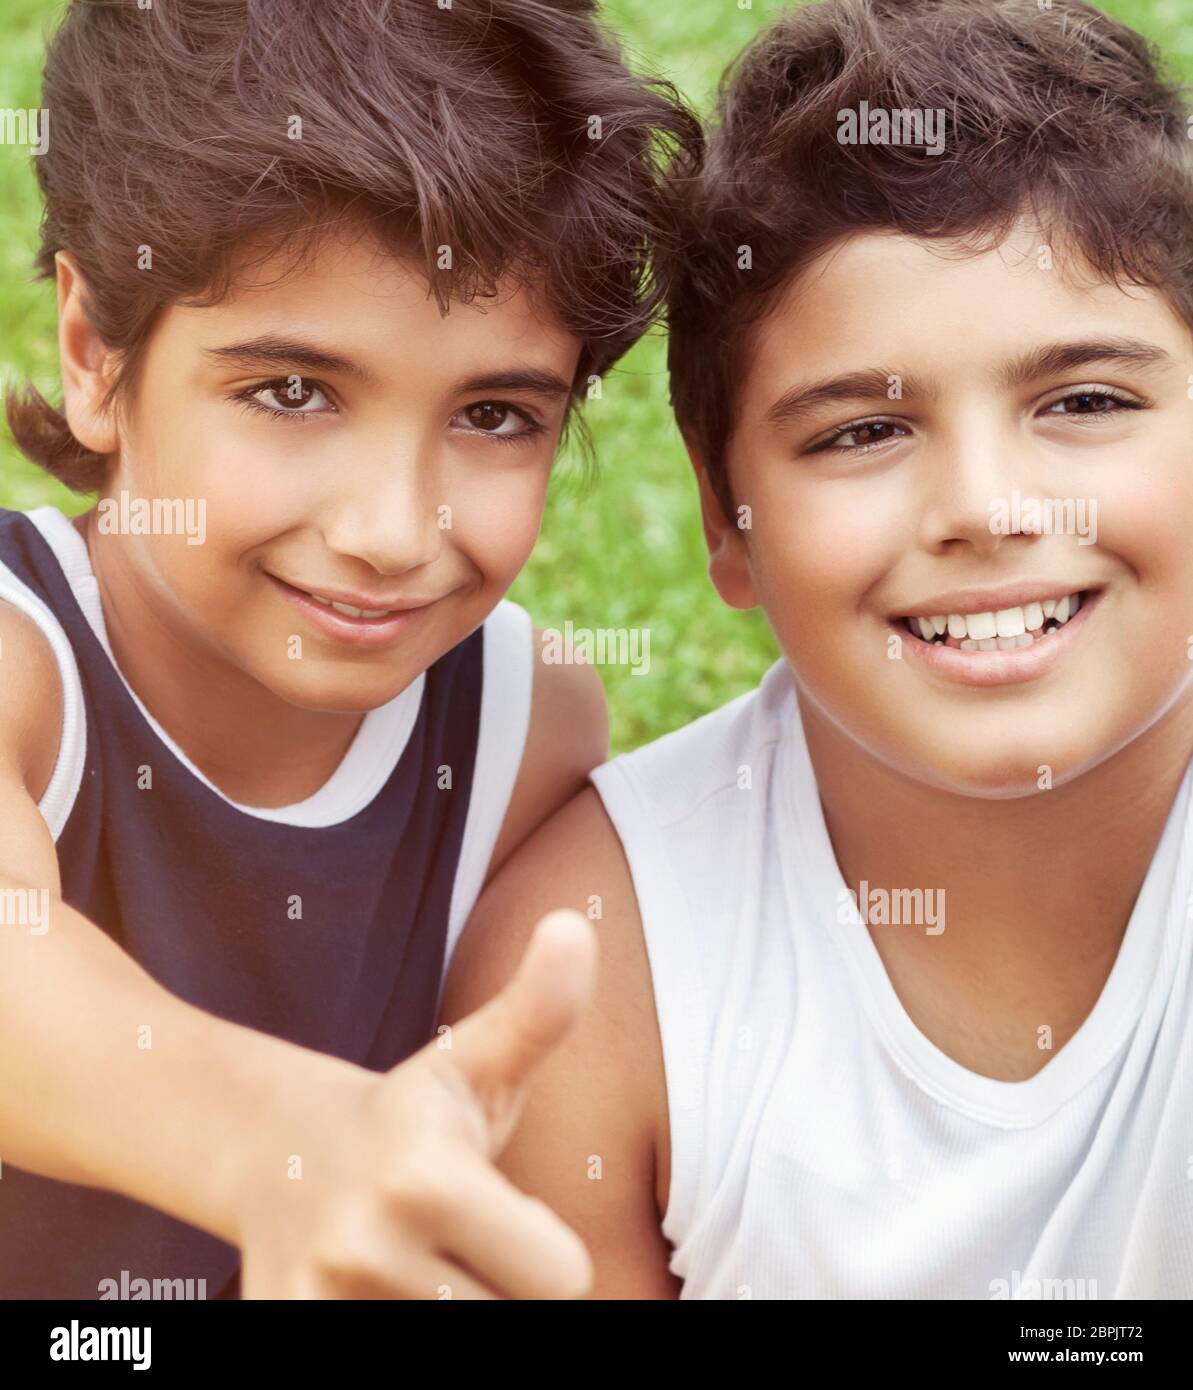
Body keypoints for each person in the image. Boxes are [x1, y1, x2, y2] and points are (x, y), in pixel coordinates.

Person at [447, 0, 1193, 1298]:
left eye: (1084, 401)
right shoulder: (600, 968)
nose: (983, 508)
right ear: (722, 521)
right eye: (859, 432)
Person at [0, 0, 694, 1299]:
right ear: (96, 357)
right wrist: (281, 1143)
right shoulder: (19, 652)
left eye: (494, 413)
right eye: (292, 391)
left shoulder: (523, 726)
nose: (390, 531)